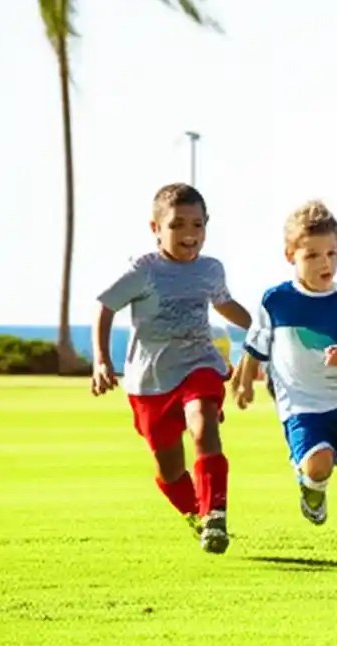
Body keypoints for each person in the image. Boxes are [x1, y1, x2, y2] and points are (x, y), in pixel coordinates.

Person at [91, 183, 251, 554]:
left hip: (199, 365)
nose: (190, 235)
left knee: (204, 425)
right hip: (150, 381)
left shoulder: (211, 270)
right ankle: (196, 513)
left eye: (198, 225)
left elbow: (223, 304)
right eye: (178, 225)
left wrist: (260, 326)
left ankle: (215, 513)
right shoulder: (144, 271)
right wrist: (101, 359)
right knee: (169, 469)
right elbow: (105, 306)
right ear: (156, 229)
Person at [232, 200, 337, 569]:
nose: (326, 263)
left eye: (332, 253)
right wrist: (244, 384)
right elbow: (255, 346)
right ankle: (312, 488)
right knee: (318, 464)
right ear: (291, 255)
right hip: (301, 406)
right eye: (314, 255)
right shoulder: (276, 300)